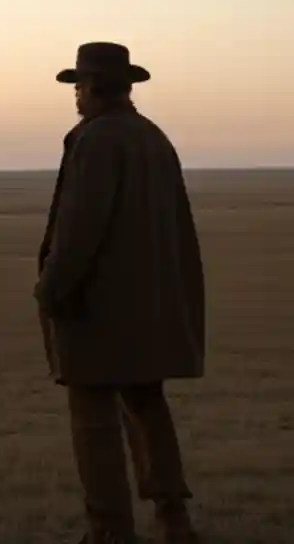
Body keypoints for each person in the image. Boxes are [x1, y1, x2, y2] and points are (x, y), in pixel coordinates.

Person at [35, 42, 206, 544]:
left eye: (79, 87)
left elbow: (79, 228)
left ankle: (109, 529)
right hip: (149, 305)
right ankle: (173, 517)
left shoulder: (96, 140)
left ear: (92, 88)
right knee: (148, 407)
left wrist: (51, 289)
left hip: (98, 306)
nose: (76, 97)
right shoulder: (152, 137)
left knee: (94, 419)